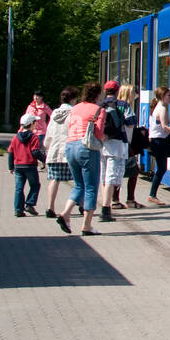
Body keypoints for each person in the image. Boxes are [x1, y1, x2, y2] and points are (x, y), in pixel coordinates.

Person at [55, 82, 106, 236]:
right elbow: (98, 134)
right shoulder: (99, 110)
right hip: (87, 149)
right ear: (97, 95)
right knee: (91, 187)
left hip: (70, 146)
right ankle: (87, 225)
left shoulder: (75, 108)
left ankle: (65, 213)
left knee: (78, 186)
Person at [42, 86, 79, 217]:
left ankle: (50, 208)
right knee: (78, 180)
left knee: (54, 179)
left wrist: (46, 146)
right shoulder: (74, 112)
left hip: (54, 151)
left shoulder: (54, 113)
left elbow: (49, 132)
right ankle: (81, 204)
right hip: (70, 150)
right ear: (73, 99)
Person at [97, 79, 129, 221]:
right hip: (116, 144)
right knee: (111, 176)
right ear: (117, 91)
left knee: (103, 175)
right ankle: (106, 208)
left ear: (105, 91)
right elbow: (131, 123)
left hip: (101, 143)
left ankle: (105, 205)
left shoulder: (99, 105)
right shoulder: (123, 104)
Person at [7, 113, 45, 217]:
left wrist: (10, 166)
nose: (36, 124)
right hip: (30, 166)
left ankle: (18, 209)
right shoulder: (34, 138)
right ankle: (29, 203)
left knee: (19, 187)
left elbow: (11, 152)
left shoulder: (15, 138)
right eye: (35, 122)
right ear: (31, 124)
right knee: (35, 185)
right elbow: (35, 152)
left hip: (18, 166)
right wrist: (44, 160)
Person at [118, 84, 146, 207]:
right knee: (134, 171)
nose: (135, 94)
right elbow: (130, 123)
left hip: (116, 142)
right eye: (133, 92)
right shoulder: (126, 107)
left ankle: (115, 200)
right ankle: (130, 200)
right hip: (125, 143)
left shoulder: (116, 105)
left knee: (116, 172)